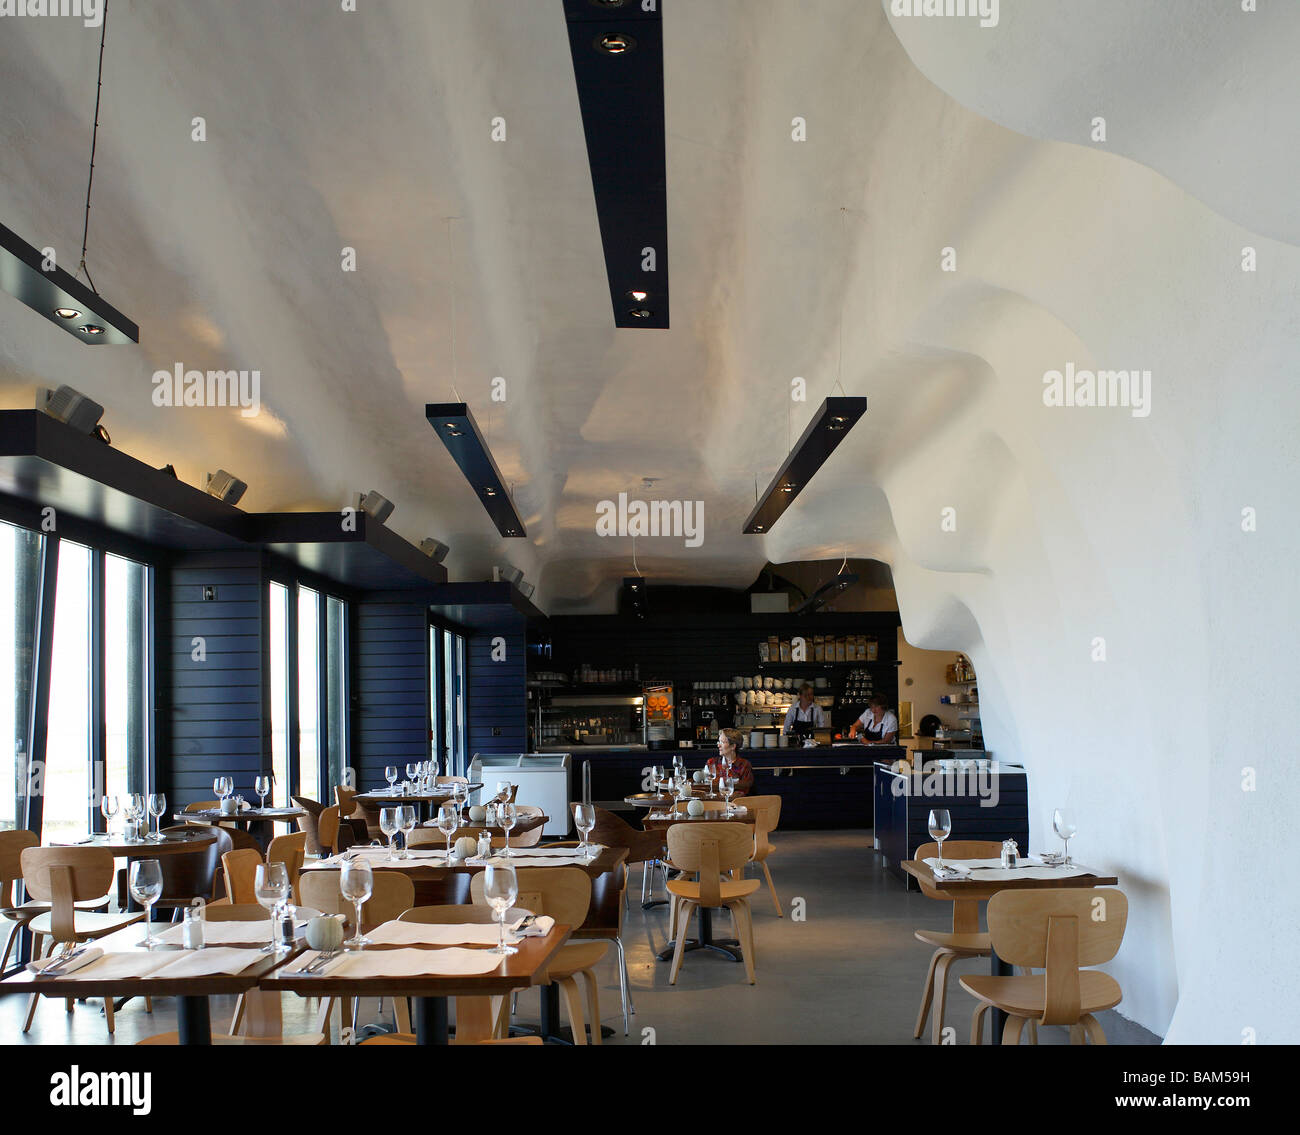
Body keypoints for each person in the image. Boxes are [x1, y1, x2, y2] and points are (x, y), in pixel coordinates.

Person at [705, 727, 754, 796]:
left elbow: (746, 787)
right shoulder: (712, 762)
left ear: (733, 746)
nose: (718, 745)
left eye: (722, 742)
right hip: (715, 802)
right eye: (719, 741)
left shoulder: (744, 764)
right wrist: (734, 783)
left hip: (736, 802)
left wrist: (724, 784)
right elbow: (706, 784)